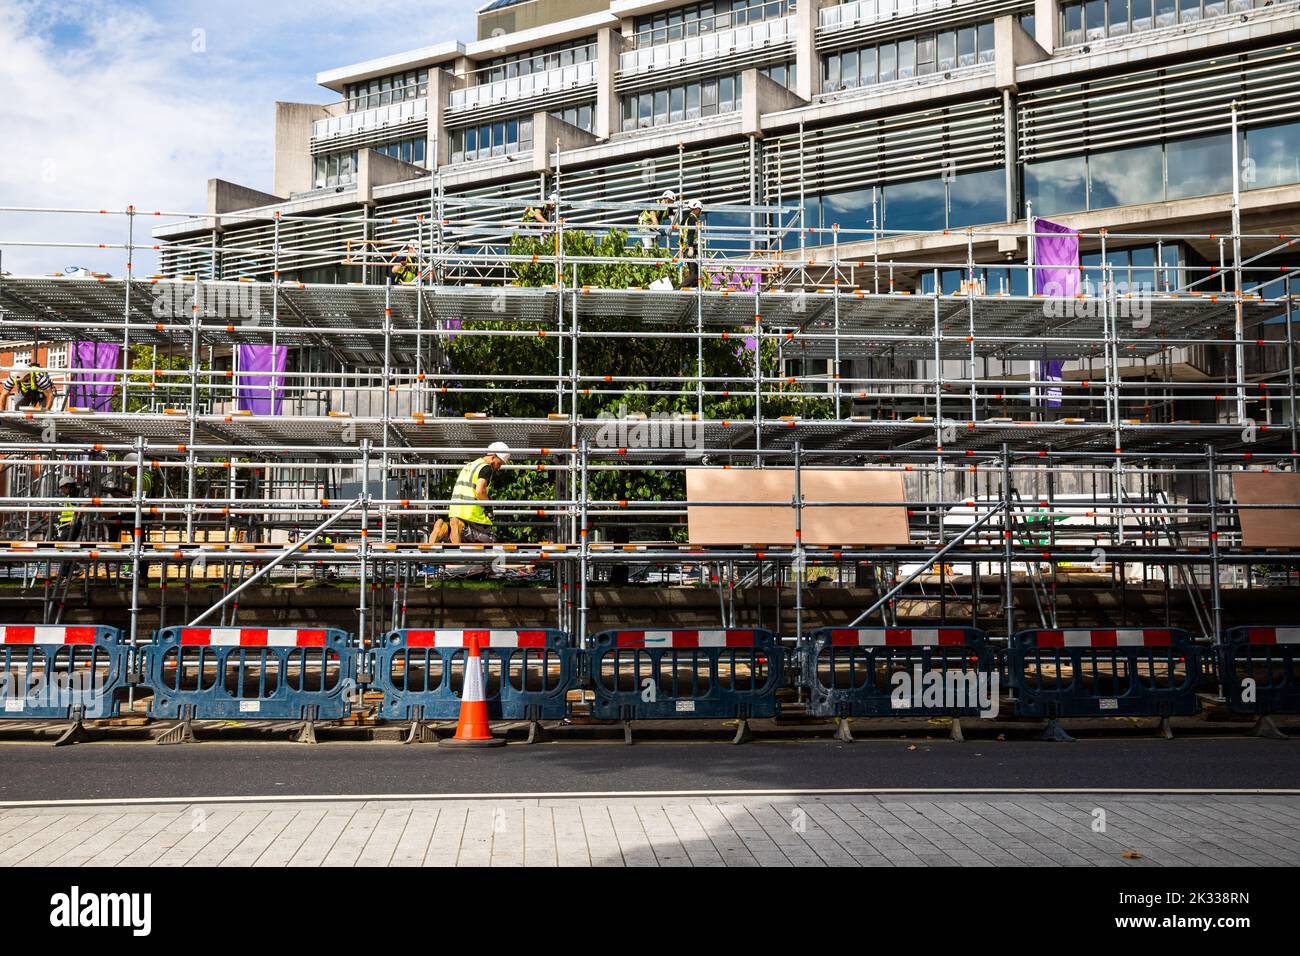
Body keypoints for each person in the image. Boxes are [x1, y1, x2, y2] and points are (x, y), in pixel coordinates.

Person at [430, 441, 511, 545]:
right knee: (491, 538)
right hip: (472, 515)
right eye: (500, 463)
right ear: (493, 456)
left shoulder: (470, 465)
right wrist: (488, 505)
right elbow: (480, 490)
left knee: (455, 530)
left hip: (456, 511)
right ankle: (459, 526)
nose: (499, 467)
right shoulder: (486, 468)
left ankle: (443, 528)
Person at [677, 198, 704, 289]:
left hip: (685, 248)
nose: (700, 212)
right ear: (696, 209)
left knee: (696, 275)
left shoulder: (685, 218)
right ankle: (678, 288)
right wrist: (691, 247)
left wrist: (681, 248)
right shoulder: (692, 219)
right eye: (700, 210)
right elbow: (690, 234)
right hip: (690, 249)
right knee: (695, 275)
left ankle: (690, 292)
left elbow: (681, 233)